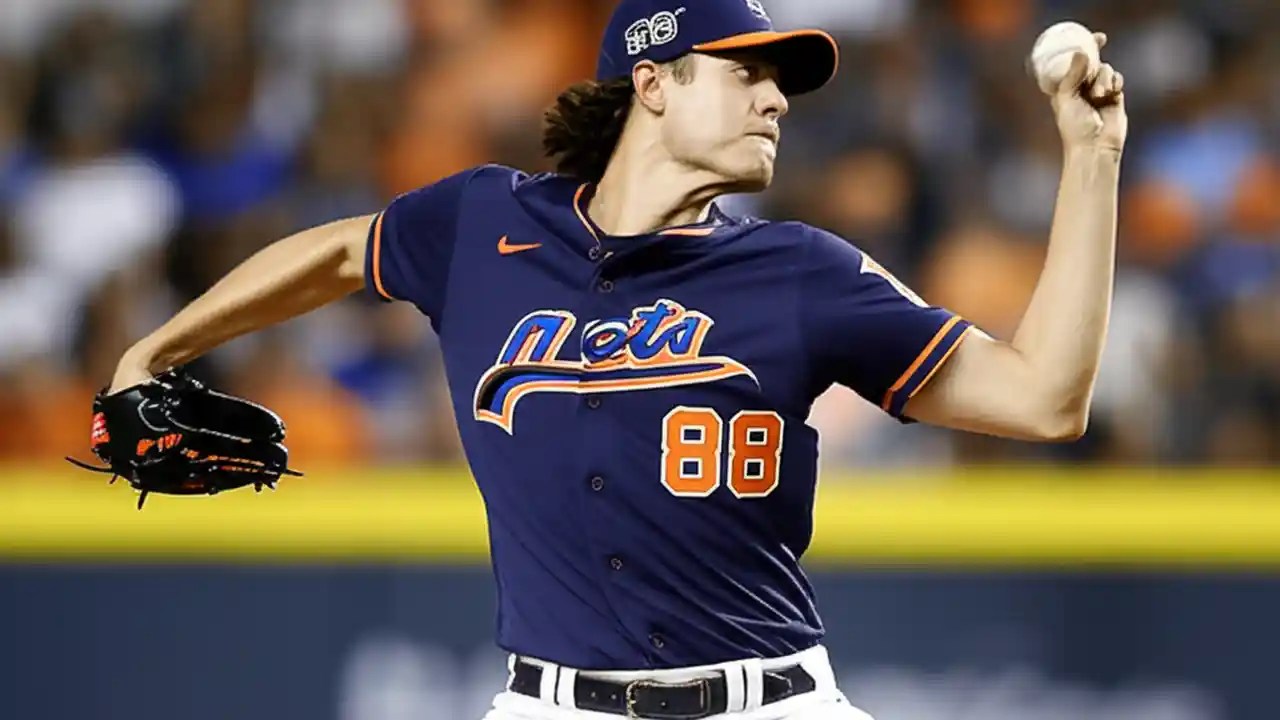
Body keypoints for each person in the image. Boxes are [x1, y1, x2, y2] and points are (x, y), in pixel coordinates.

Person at [106, 1, 1127, 718]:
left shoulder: (800, 272)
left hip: (767, 702)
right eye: (746, 71)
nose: (774, 100)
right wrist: (155, 349)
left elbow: (1042, 400)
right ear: (652, 82)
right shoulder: (482, 223)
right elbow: (335, 249)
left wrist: (1090, 159)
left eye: (779, 82)